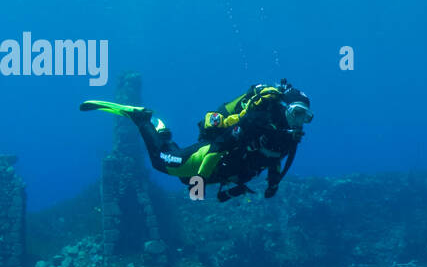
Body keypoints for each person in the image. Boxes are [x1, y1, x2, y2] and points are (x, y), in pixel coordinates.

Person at [81, 82, 313, 201]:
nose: (300, 121)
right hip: (203, 159)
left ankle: (162, 132)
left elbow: (274, 161)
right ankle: (141, 118)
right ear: (286, 107)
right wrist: (198, 186)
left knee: (181, 175)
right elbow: (218, 148)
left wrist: (273, 185)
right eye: (298, 113)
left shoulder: (286, 139)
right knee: (161, 163)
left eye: (306, 117)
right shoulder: (255, 122)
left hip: (218, 172)